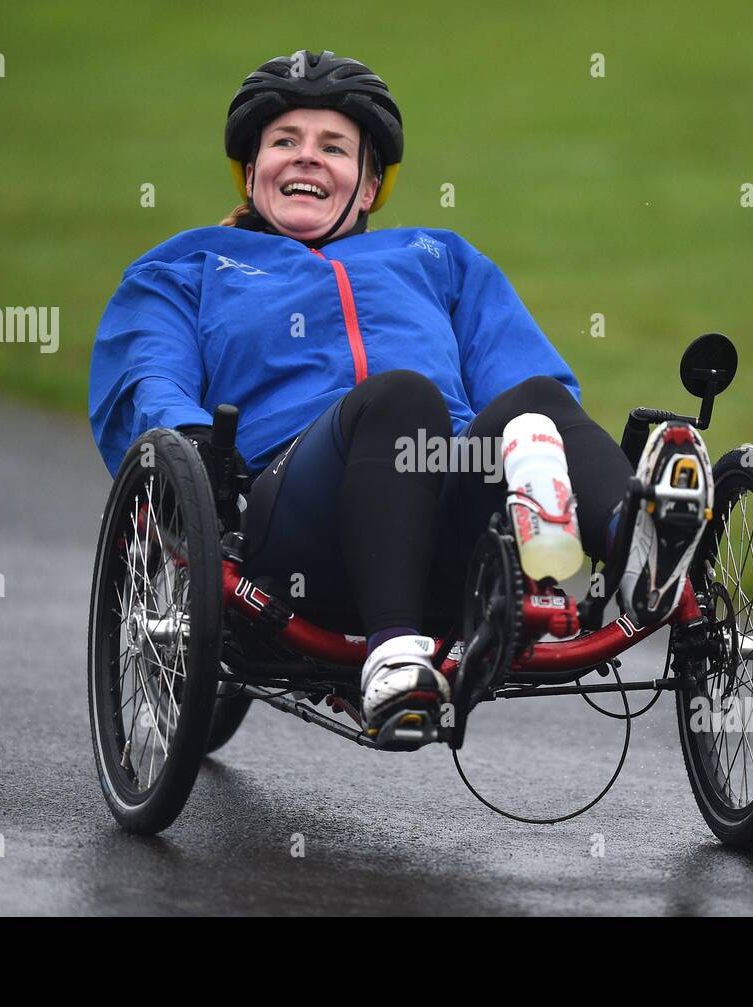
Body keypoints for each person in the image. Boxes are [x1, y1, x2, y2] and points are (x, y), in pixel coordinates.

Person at [89, 49, 714, 742]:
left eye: (332, 147)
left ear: (367, 184)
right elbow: (147, 374)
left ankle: (639, 547)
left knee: (534, 398)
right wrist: (191, 437)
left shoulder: (436, 256)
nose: (305, 159)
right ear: (251, 168)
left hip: (447, 517)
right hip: (289, 524)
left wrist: (531, 444)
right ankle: (392, 658)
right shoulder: (191, 265)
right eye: (284, 143)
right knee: (399, 399)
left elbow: (520, 368)